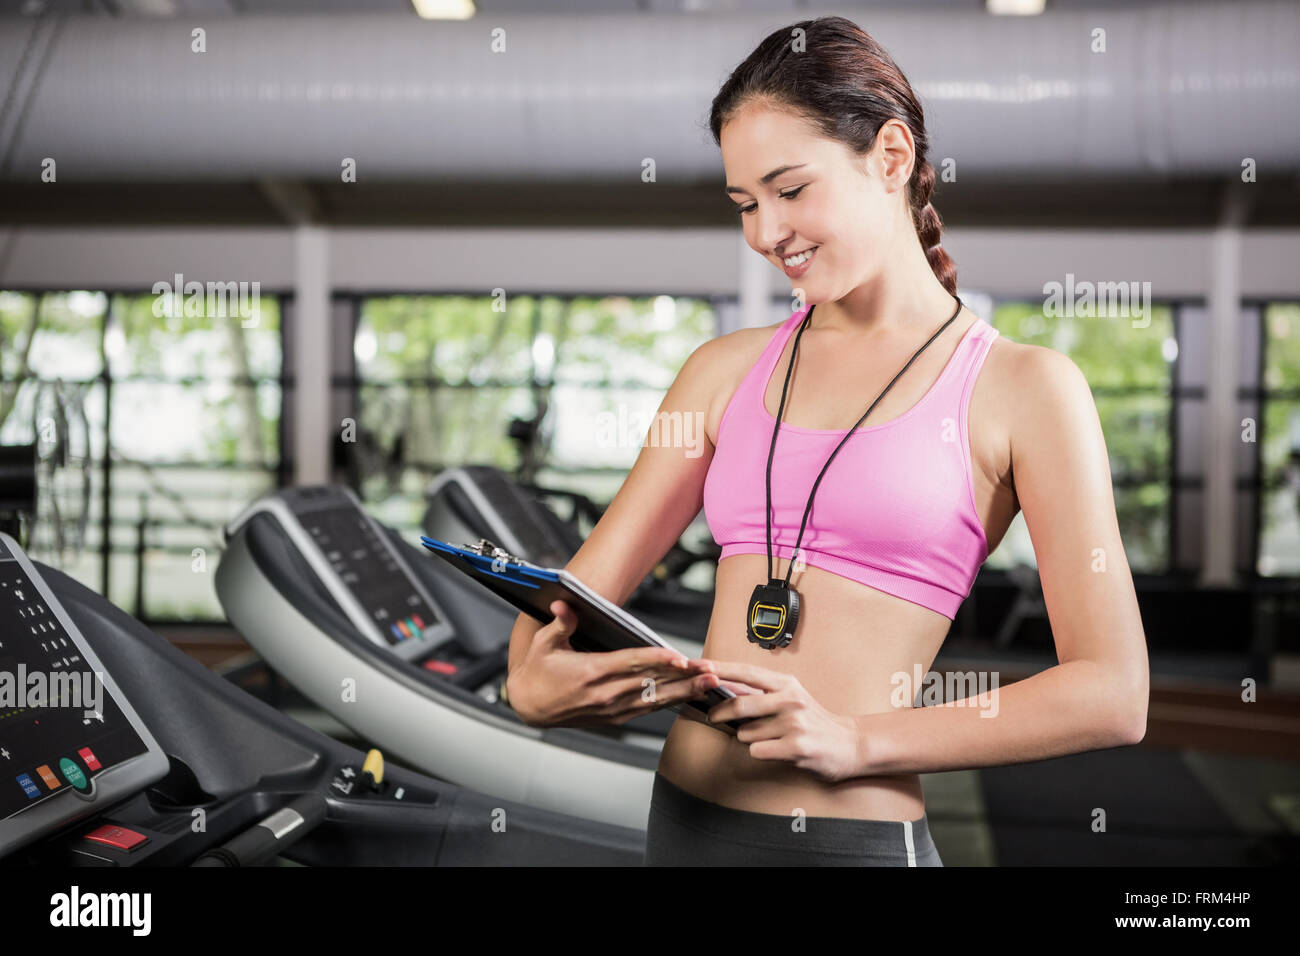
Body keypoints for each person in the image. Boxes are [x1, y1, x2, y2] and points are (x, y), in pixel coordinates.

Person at [505, 15, 1149, 866]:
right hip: (684, 824)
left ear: (890, 157)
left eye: (790, 189)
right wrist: (533, 682)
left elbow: (1113, 692)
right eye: (745, 203)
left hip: (852, 840)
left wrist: (856, 740)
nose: (767, 233)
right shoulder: (720, 371)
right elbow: (570, 598)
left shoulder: (1026, 390)